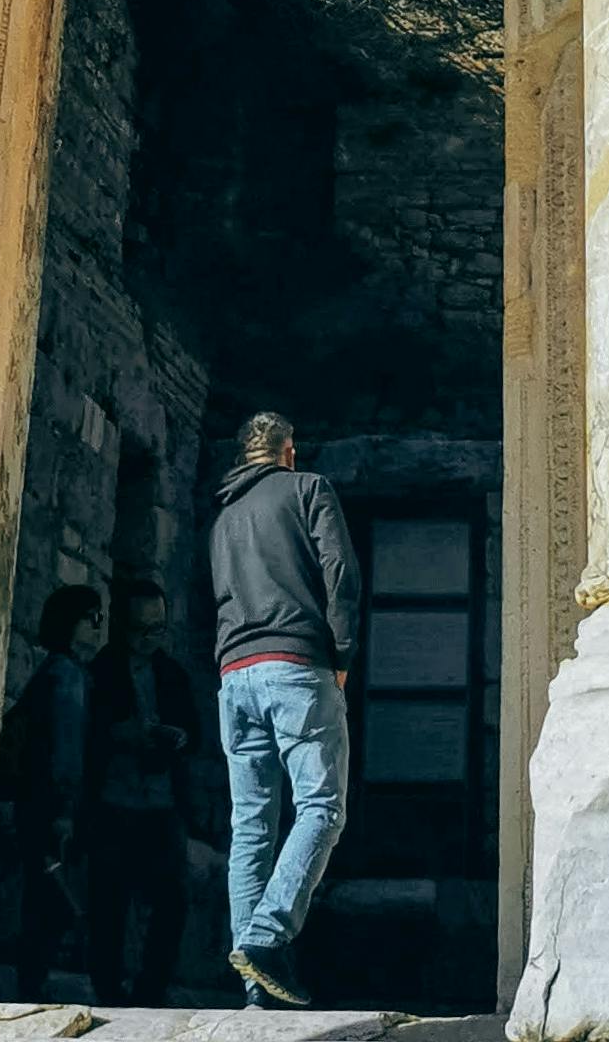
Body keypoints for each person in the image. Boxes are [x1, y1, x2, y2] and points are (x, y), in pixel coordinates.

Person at [209, 410, 359, 1009]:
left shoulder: (222, 518)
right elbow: (339, 572)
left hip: (234, 675)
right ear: (288, 450)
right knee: (322, 807)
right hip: (295, 665)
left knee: (250, 826)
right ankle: (267, 940)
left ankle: (256, 989)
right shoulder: (308, 489)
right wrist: (342, 653)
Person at [85, 575, 202, 1002]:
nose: (150, 638)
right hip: (113, 801)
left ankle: (152, 989)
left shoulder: (171, 673)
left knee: (173, 902)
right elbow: (87, 735)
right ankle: (108, 990)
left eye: (158, 628)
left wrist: (178, 738)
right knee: (109, 905)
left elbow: (195, 731)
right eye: (141, 629)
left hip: (161, 803)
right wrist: (123, 734)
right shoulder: (100, 669)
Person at [0, 583, 103, 995]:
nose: (98, 627)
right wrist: (66, 812)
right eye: (93, 618)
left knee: (40, 901)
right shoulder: (67, 676)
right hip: (51, 806)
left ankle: (31, 985)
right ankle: (32, 990)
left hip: (35, 804)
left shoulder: (52, 671)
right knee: (50, 905)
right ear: (74, 622)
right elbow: (66, 753)